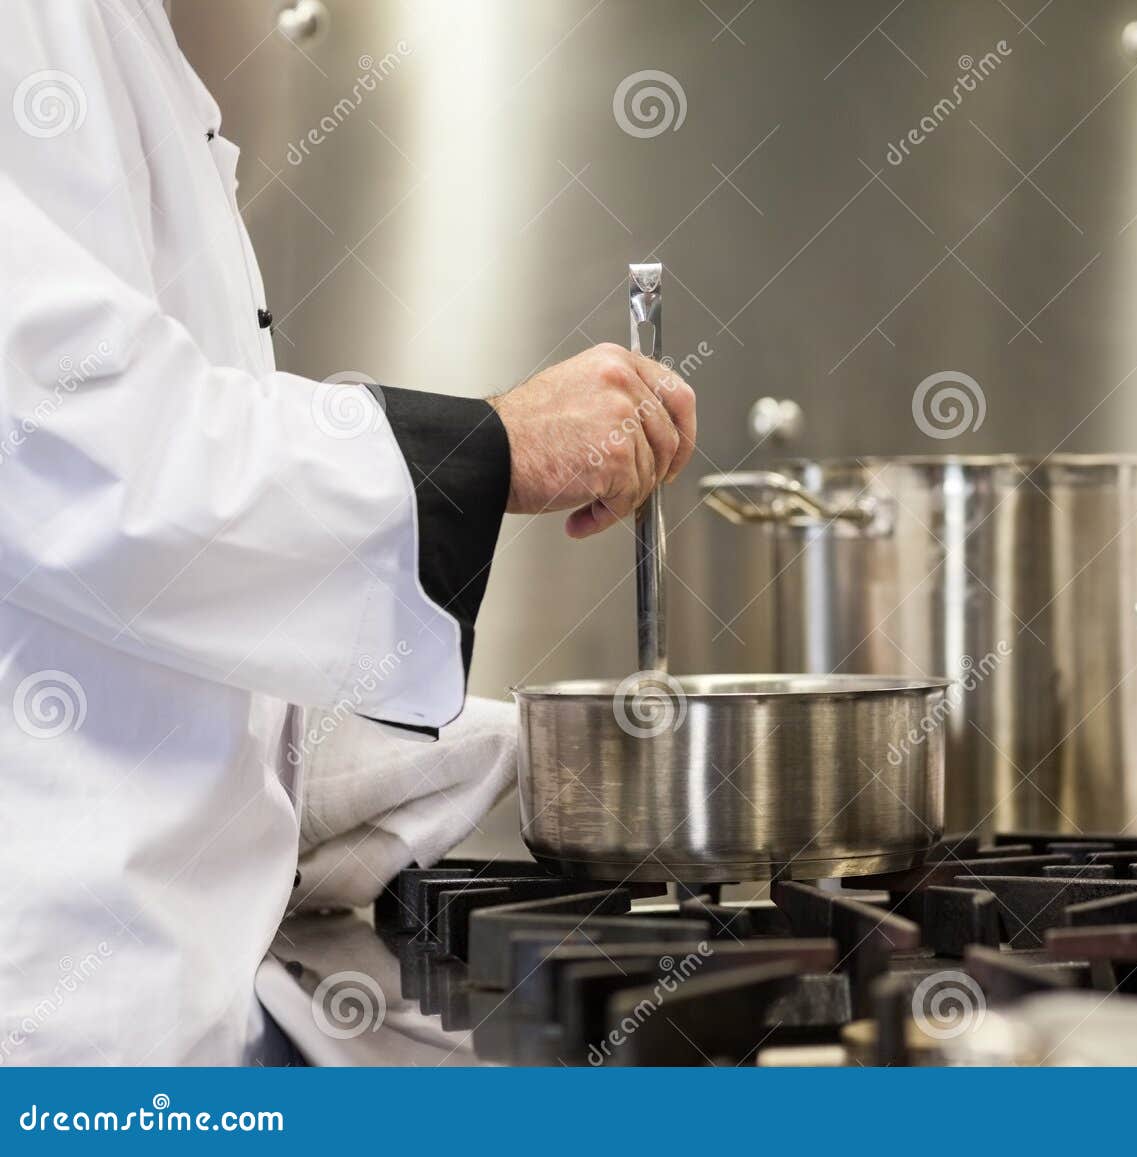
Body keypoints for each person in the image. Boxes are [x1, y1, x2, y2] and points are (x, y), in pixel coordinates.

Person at [0, 1, 695, 1063]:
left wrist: (500, 753)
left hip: (170, 994)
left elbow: (127, 586)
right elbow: (75, 442)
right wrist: (491, 447)